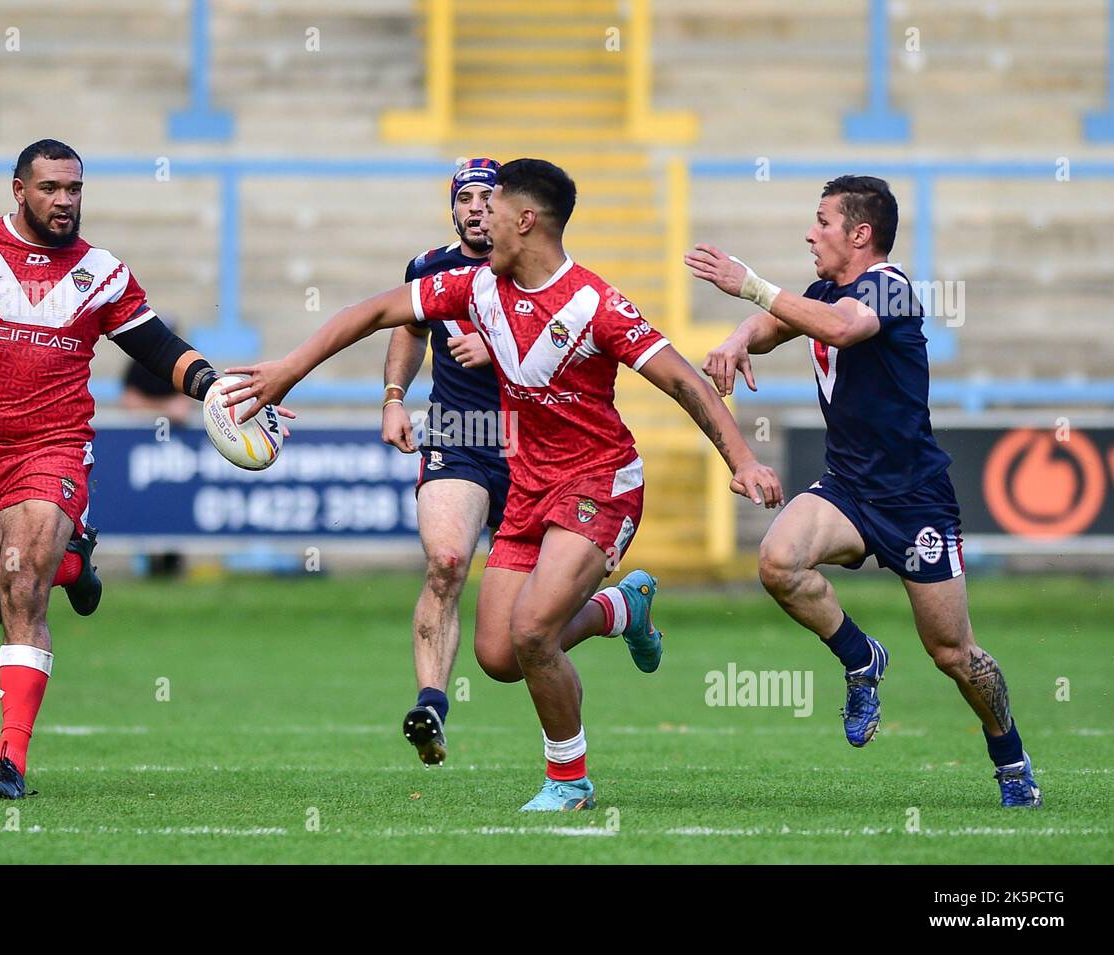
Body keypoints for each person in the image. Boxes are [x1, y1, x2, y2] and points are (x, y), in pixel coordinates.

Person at [221, 158, 782, 811]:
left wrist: (742, 459)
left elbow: (686, 381)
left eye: (496, 207)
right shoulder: (474, 286)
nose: (480, 216)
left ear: (526, 220)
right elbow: (373, 311)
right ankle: (622, 610)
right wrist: (289, 370)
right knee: (498, 654)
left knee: (533, 632)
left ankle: (569, 782)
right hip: (529, 487)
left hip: (600, 482)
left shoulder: (597, 305)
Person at [0, 139, 291, 800]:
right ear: (18, 189)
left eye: (73, 189)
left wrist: (218, 389)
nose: (64, 201)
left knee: (19, 579)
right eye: (50, 188)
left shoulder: (103, 273)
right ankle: (74, 559)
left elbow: (159, 349)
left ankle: (10, 760)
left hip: (51, 448)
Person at [687, 174, 1041, 808]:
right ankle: (861, 658)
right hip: (849, 488)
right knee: (777, 561)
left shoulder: (890, 289)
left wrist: (750, 283)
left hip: (915, 501)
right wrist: (739, 337)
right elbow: (781, 322)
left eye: (821, 222)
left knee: (953, 653)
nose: (808, 232)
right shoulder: (828, 291)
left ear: (860, 233)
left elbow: (842, 329)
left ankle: (1010, 756)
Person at [382, 158, 509, 765]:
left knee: (522, 628)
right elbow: (408, 327)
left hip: (530, 440)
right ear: (453, 207)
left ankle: (620, 611)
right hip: (457, 432)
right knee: (447, 562)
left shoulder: (536, 268)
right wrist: (393, 398)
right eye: (468, 198)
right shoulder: (428, 267)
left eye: (489, 197)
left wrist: (500, 348)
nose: (477, 207)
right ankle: (431, 703)